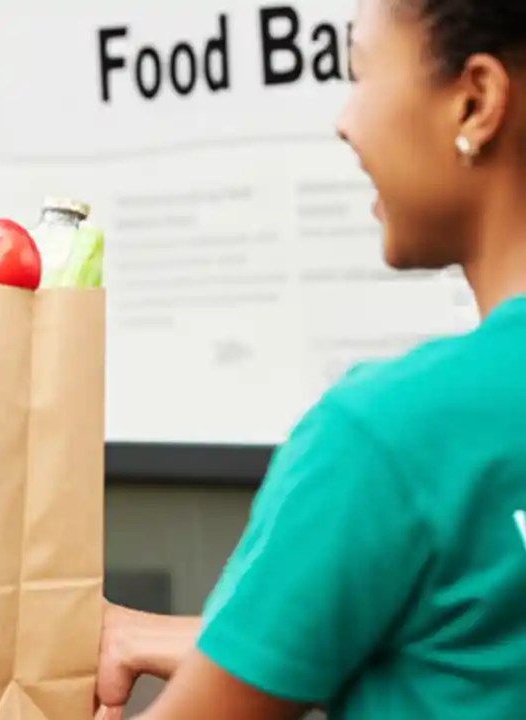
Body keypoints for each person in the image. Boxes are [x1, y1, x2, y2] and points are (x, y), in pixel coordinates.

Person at [94, 0, 526, 718]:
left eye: (358, 71)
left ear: (475, 101)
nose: (344, 120)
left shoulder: (390, 436)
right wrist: (187, 640)